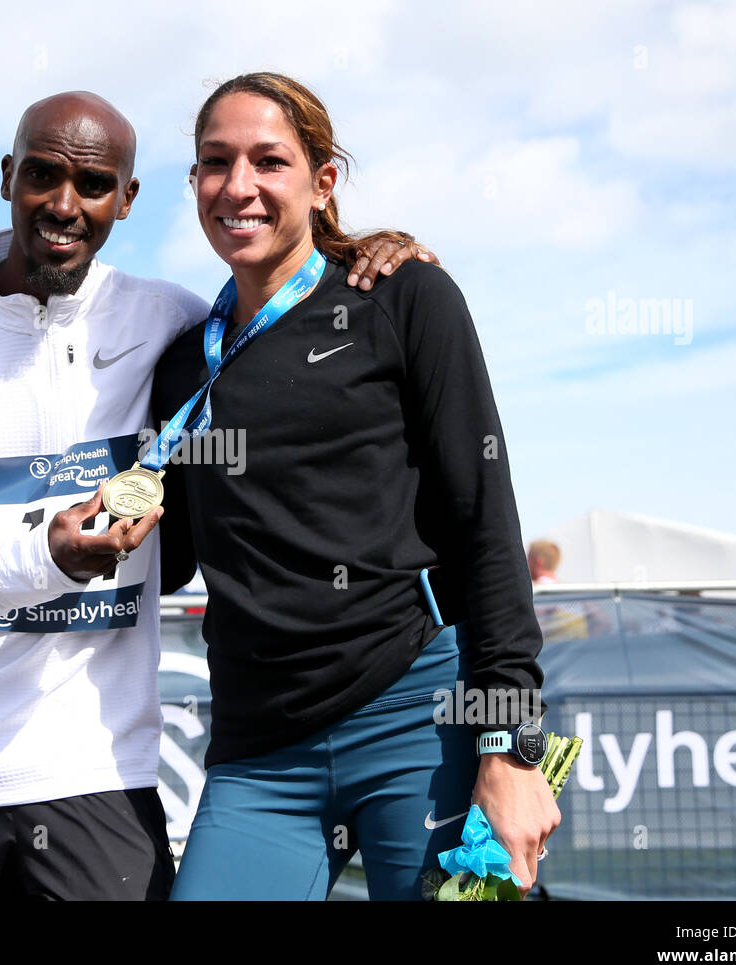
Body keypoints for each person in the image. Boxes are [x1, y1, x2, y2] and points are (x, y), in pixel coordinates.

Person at [0, 89, 438, 901]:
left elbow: (283, 311)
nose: (62, 205)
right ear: (8, 176)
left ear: (128, 198)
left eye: (92, 186)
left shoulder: (172, 325)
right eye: (41, 176)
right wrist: (37, 558)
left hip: (99, 772)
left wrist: (374, 255)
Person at [153, 72, 559, 900]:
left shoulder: (403, 298)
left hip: (416, 716)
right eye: (214, 162)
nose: (239, 186)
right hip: (257, 750)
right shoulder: (182, 365)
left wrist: (511, 747)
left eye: (269, 161)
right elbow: (171, 565)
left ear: (323, 180)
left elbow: (484, 523)